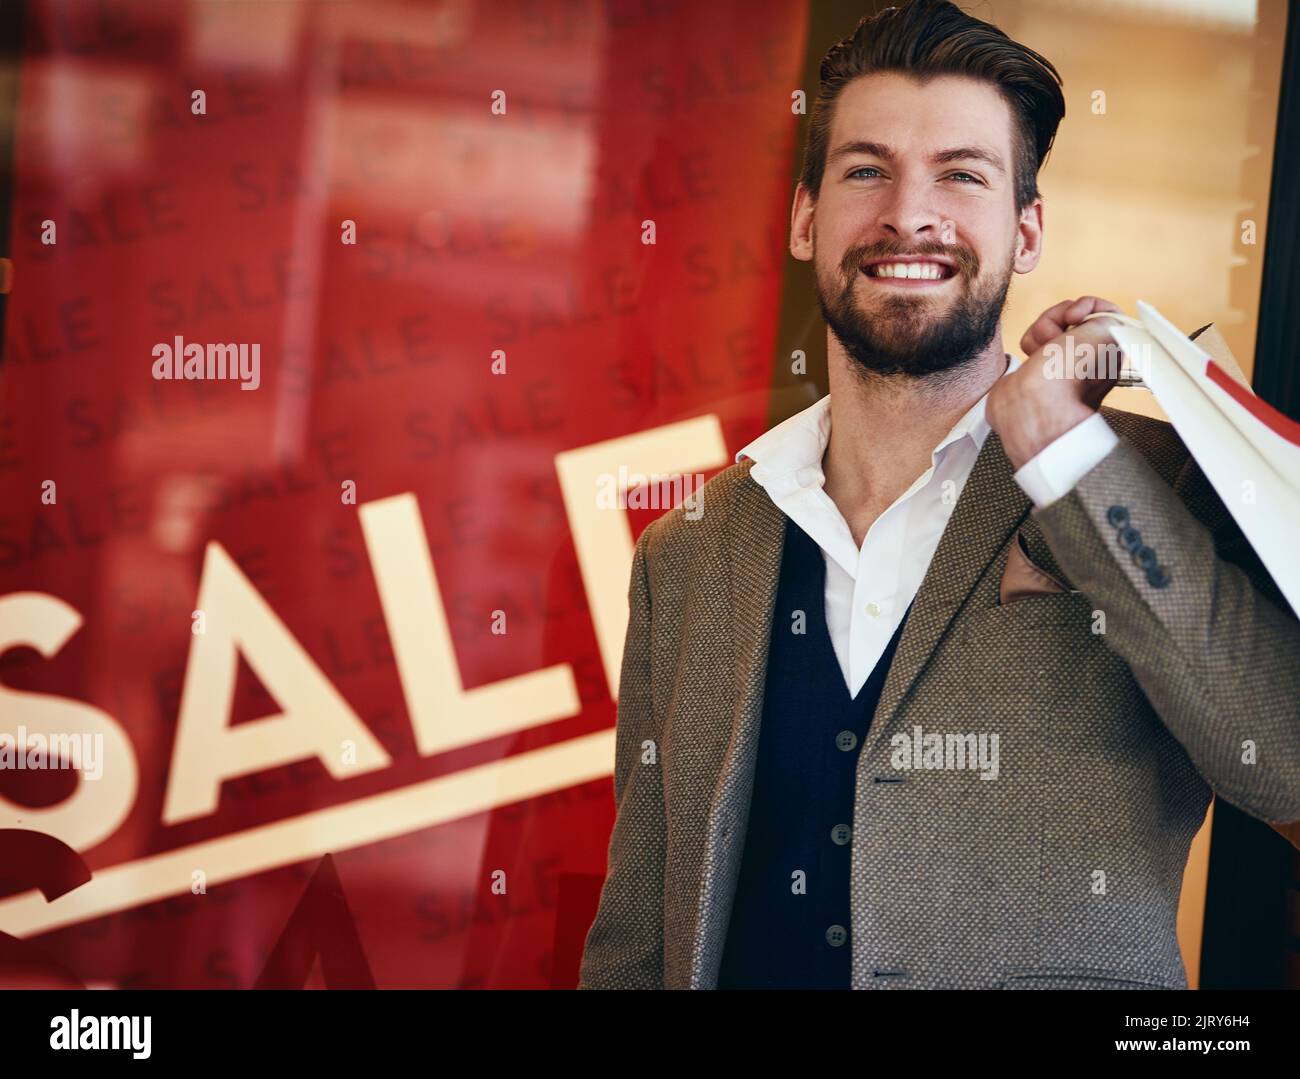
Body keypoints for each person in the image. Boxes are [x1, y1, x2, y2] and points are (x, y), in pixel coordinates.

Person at [578, 0, 1300, 990]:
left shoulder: (1154, 484)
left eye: (961, 175)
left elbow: (1286, 767)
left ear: (1026, 229)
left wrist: (1061, 451)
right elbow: (639, 930)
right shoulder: (688, 552)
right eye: (866, 169)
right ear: (804, 218)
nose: (909, 214)